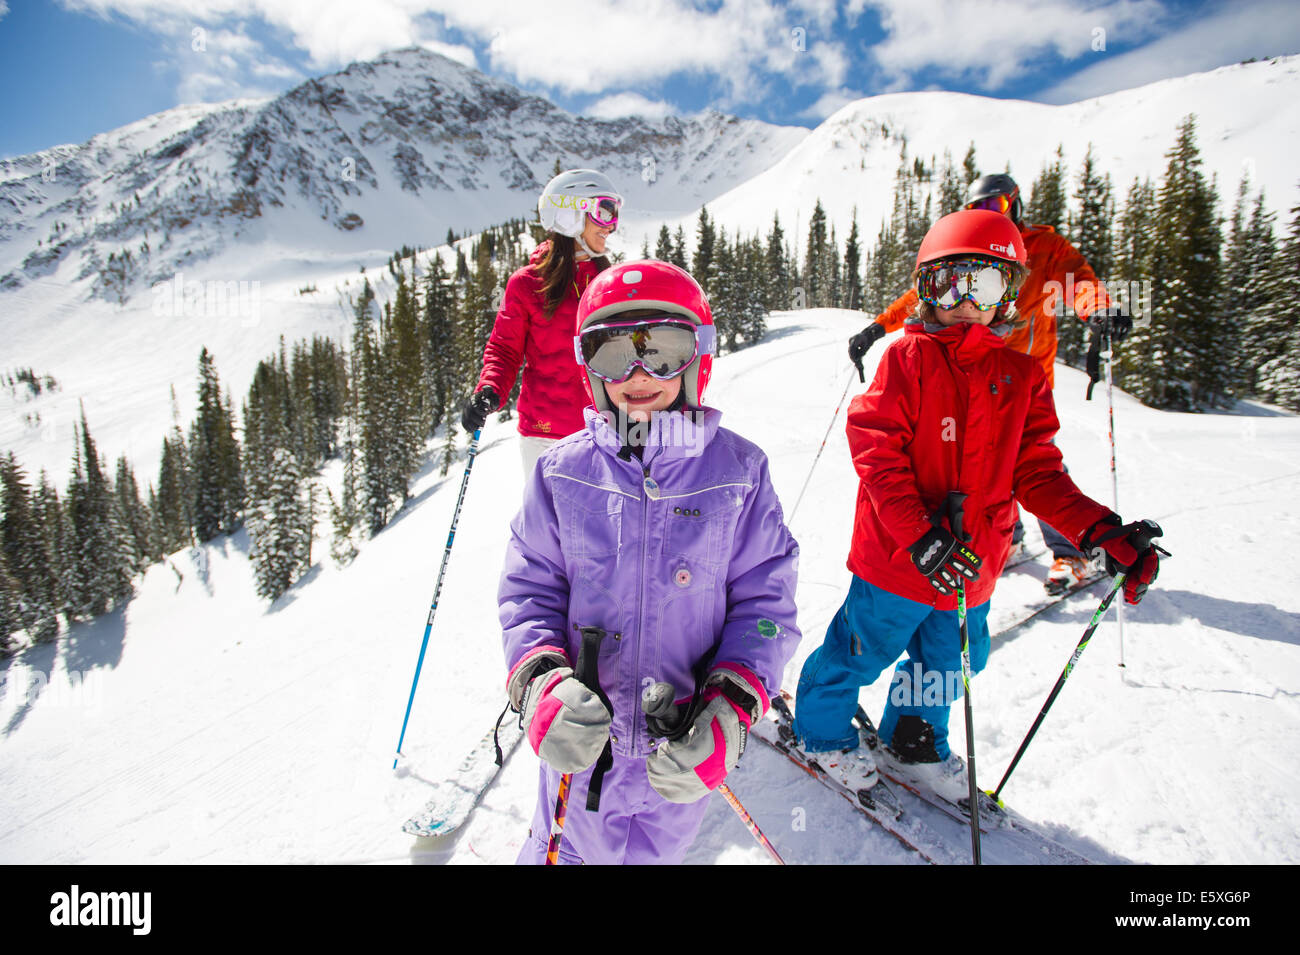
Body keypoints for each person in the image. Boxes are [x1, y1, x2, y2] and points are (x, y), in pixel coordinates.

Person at [792, 209, 1161, 802]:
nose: (965, 300)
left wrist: (1099, 530)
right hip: (900, 558)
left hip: (974, 565)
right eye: (948, 283)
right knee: (861, 650)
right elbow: (875, 449)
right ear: (927, 291)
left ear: (1008, 294)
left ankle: (913, 737)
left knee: (951, 663)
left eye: (984, 284)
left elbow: (1037, 471)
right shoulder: (905, 360)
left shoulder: (1021, 374)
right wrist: (920, 534)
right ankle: (820, 732)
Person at [499, 260, 801, 864]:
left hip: (681, 746)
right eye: (613, 354)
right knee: (564, 854)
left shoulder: (737, 474)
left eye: (662, 351)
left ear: (699, 358)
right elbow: (529, 590)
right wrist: (541, 682)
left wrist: (732, 706)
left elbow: (766, 604)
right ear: (589, 368)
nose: (637, 375)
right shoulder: (562, 473)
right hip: (584, 746)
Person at [847, 173, 1133, 593]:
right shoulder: (962, 265)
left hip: (1020, 377)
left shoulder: (1044, 249)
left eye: (995, 209)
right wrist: (877, 327)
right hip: (961, 376)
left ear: (1014, 207)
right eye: (977, 211)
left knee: (1029, 462)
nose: (987, 220)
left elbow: (1081, 283)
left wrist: (1099, 310)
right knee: (976, 466)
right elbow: (928, 292)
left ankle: (1067, 550)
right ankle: (1008, 540)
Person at [460, 168, 623, 476]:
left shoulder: (609, 283)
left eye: (615, 213)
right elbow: (504, 349)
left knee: (602, 523)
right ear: (570, 214)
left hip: (606, 430)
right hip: (544, 433)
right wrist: (490, 387)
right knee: (548, 523)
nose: (611, 226)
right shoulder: (526, 284)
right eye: (604, 211)